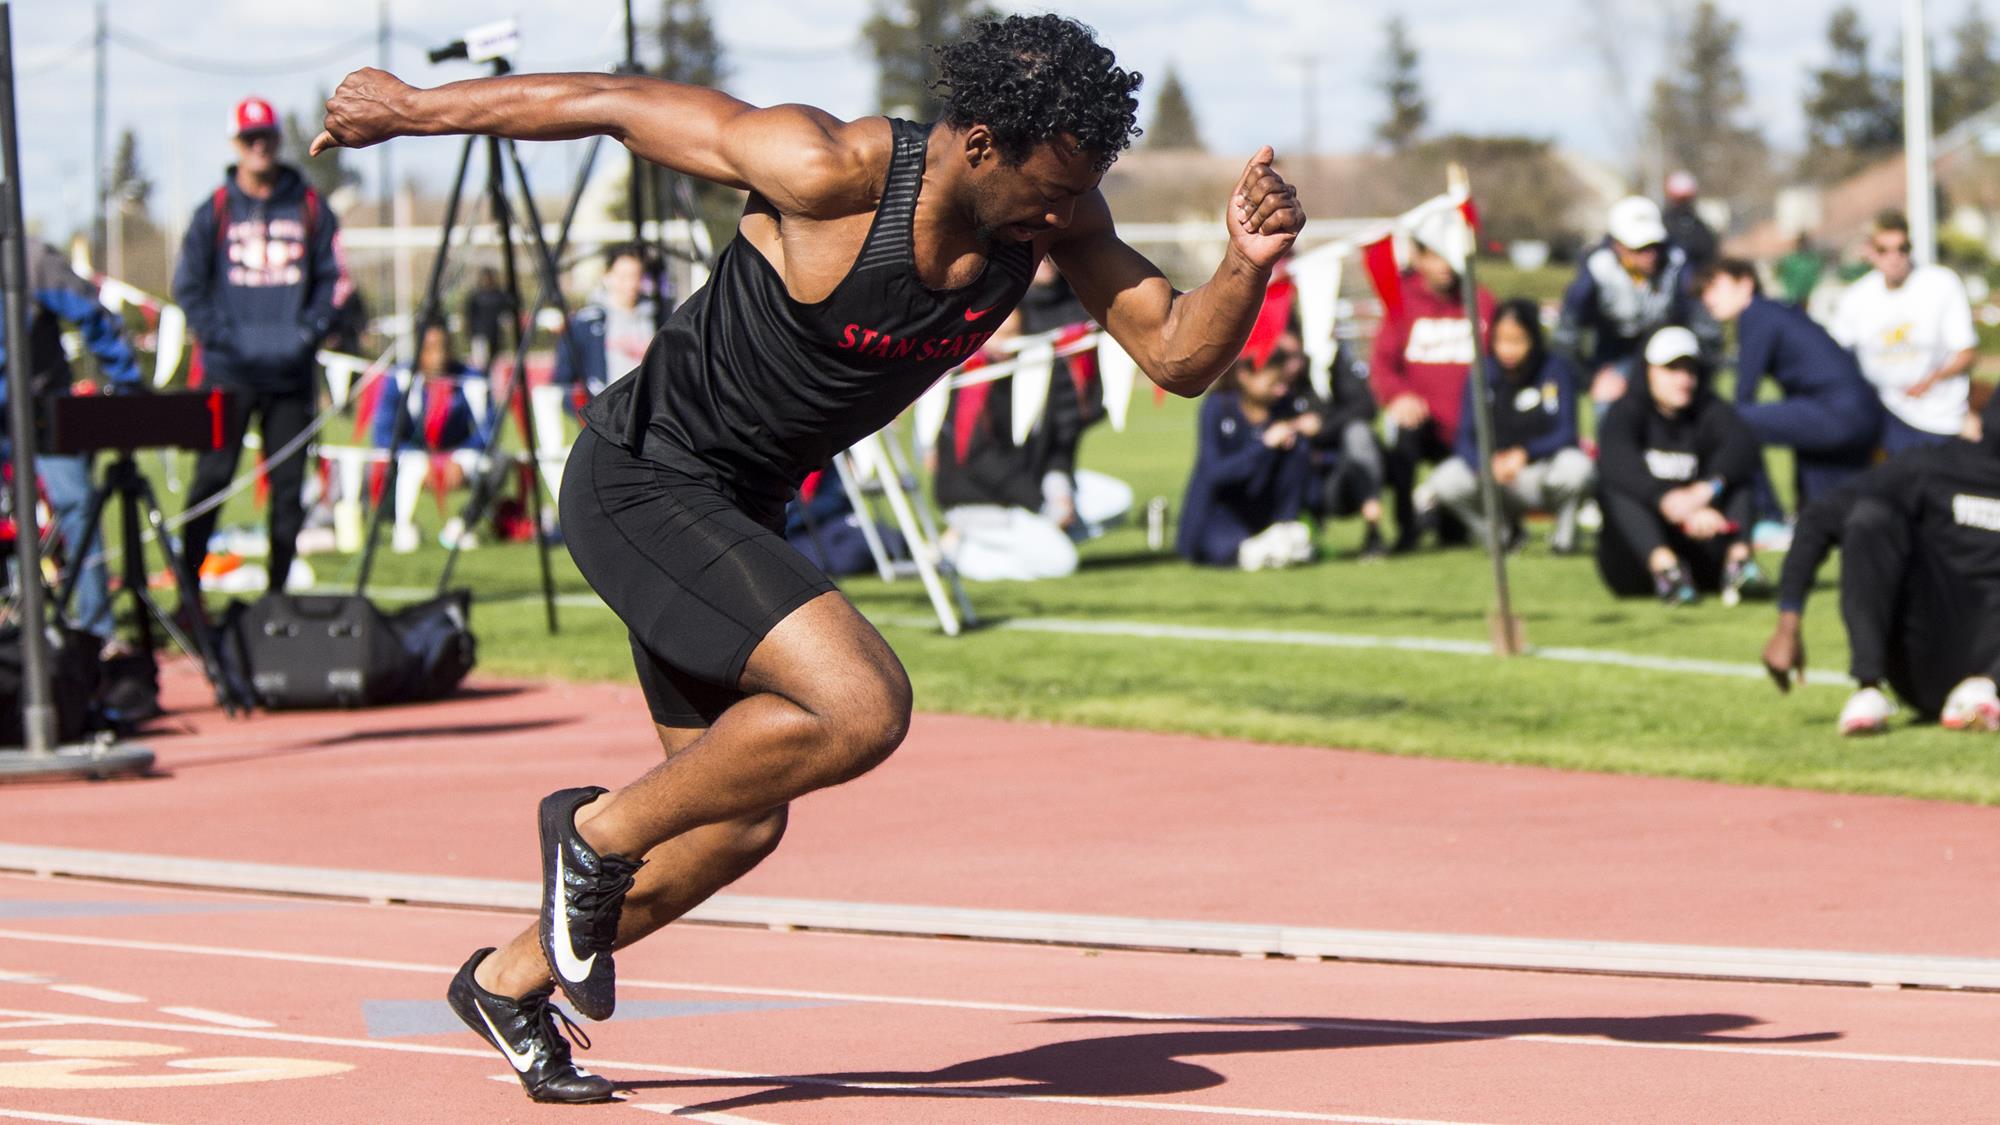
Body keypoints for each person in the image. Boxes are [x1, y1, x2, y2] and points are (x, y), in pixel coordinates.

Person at [315, 12, 1304, 1104]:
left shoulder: (1048, 218)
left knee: (737, 819)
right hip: (642, 478)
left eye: (1078, 191)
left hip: (739, 511)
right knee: (860, 704)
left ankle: (506, 981)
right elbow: (611, 102)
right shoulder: (823, 168)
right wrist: (408, 110)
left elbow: (1177, 350)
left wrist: (1243, 265)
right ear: (978, 143)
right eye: (1051, 188)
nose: (1066, 212)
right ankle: (588, 835)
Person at [172, 96, 342, 602]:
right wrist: (223, 338)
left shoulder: (309, 205)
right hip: (229, 374)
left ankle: (276, 599)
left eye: (265, 136)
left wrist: (306, 334)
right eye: (249, 139)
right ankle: (188, 593)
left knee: (288, 494)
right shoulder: (215, 210)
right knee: (211, 481)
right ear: (236, 145)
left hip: (290, 376)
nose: (259, 147)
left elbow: (335, 281)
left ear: (276, 139)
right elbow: (188, 286)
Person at [1762, 391, 2000, 735]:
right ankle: (1869, 688)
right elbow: (1820, 517)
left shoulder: (1934, 463)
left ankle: (1985, 686)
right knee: (1872, 518)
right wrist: (1788, 621)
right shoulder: (1933, 469)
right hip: (1925, 657)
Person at [3, 242, 144, 646]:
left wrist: (126, 383)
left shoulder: (31, 261)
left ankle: (97, 634)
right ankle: (14, 624)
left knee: (78, 505)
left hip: (40, 408)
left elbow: (93, 313)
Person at [933, 313, 1128, 581]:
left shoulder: (1036, 370)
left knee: (1116, 499)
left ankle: (1037, 537)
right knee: (1060, 562)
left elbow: (1062, 435)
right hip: (984, 498)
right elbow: (981, 460)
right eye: (996, 334)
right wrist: (1041, 505)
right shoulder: (972, 380)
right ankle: (960, 553)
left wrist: (1057, 486)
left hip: (1029, 487)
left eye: (1013, 333)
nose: (1005, 342)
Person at [1697, 258, 1883, 516]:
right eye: (1702, 292)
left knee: (1736, 421)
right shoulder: (1776, 311)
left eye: (1714, 287)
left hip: (1838, 414)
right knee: (1839, 512)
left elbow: (1744, 394)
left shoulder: (1757, 315)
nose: (1707, 297)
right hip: (1856, 413)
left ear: (1745, 284)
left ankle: (1767, 517)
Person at [1594, 326, 1764, 605]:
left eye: (1689, 370)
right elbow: (1616, 464)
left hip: (1702, 539)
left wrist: (1704, 492)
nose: (1684, 380)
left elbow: (1741, 446)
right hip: (1636, 557)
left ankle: (1739, 567)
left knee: (1737, 478)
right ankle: (1667, 572)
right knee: (1615, 488)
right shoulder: (1625, 412)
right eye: (1671, 369)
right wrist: (1666, 500)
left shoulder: (1710, 409)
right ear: (1648, 370)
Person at [1369, 210, 1496, 551]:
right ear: (1418, 255)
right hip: (1421, 423)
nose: (1444, 265)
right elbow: (1382, 364)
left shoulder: (1480, 301)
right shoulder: (1401, 302)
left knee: (1453, 537)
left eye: (1449, 256)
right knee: (1404, 442)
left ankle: (1447, 519)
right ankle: (1406, 527)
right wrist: (1399, 397)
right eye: (1435, 254)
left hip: (1469, 427)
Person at [1429, 298, 1594, 554]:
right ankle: (1501, 535)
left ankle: (1564, 539)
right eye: (1501, 341)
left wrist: (1525, 453)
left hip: (1539, 472)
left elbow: (1566, 433)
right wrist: (1485, 463)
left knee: (1577, 467)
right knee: (1445, 480)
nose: (1508, 350)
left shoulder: (1556, 370)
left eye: (1517, 341)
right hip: (1493, 475)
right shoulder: (1482, 374)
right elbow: (1464, 437)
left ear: (1533, 339)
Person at [1830, 211, 1980, 454]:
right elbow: (1835, 356)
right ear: (1869, 251)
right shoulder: (1855, 299)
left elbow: (1966, 352)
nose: (1895, 258)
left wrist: (1932, 380)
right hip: (1888, 416)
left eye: (1903, 248)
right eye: (1884, 250)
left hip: (1942, 417)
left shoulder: (1940, 283)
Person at [1555, 195, 1716, 409]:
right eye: (1639, 248)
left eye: (1654, 245)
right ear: (1617, 245)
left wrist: (1692, 372)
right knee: (1609, 404)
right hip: (1612, 350)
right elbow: (1565, 339)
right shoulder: (1595, 272)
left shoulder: (1679, 265)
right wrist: (1591, 378)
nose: (1650, 255)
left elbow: (1706, 331)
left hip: (1669, 347)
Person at [1177, 345, 1315, 569]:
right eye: (1273, 383)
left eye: (1283, 384)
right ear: (1244, 375)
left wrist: (1301, 428)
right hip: (1222, 513)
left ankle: (1284, 528)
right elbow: (1214, 472)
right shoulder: (1218, 406)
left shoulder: (1283, 408)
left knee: (1297, 450)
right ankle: (1257, 550)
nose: (1281, 390)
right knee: (1220, 546)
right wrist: (1264, 445)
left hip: (1262, 510)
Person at [1280, 332, 1388, 557]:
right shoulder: (1274, 385)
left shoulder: (1328, 368)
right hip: (1306, 480)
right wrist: (1294, 426)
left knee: (1359, 433)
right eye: (1282, 357)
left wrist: (1322, 426)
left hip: (1343, 475)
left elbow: (1366, 405)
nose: (1290, 365)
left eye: (1295, 356)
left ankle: (1374, 529)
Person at [551, 243, 658, 410]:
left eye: (636, 276)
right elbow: (563, 381)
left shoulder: (658, 317)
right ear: (607, 277)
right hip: (608, 416)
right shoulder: (584, 324)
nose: (630, 284)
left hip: (650, 411)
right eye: (623, 276)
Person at [1661, 170, 1717, 274]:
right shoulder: (1660, 225)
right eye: (1679, 199)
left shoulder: (1701, 229)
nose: (1682, 204)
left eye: (1685, 198)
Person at [463, 267, 516, 371]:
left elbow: (508, 308)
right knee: (481, 364)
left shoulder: (499, 295)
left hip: (494, 335)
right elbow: (469, 315)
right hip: (480, 335)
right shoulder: (476, 296)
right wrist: (470, 332)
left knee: (494, 363)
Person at [1775, 233, 1825, 308]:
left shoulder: (1811, 260)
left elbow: (1816, 274)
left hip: (1803, 294)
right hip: (1793, 295)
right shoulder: (1791, 260)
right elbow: (1780, 273)